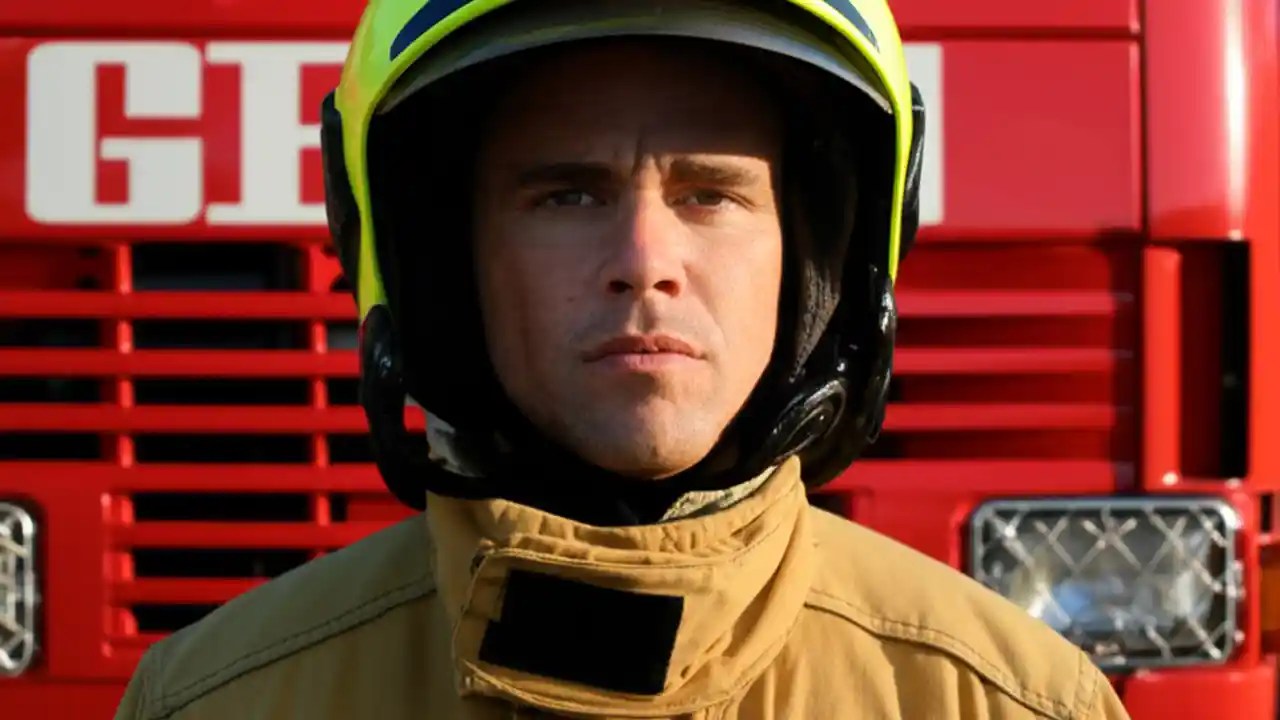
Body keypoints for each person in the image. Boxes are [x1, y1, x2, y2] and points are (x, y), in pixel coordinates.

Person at [114, 1, 1131, 718]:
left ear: (822, 259)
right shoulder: (220, 703)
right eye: (565, 196)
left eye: (710, 194)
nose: (644, 264)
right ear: (440, 261)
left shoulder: (1007, 704)